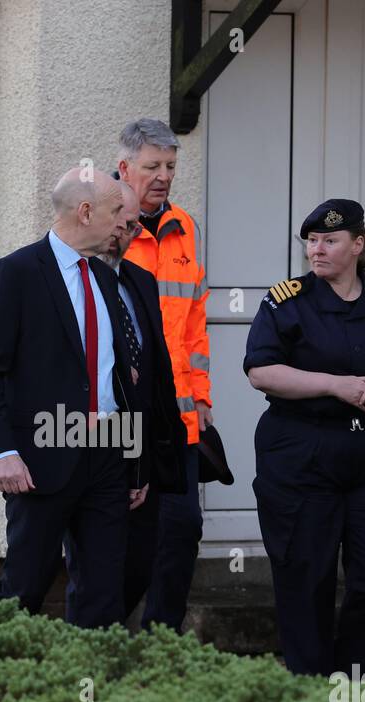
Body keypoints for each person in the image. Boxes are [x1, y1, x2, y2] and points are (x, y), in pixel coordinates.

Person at [242, 198, 365, 676]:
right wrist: (333, 385)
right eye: (311, 241)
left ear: (357, 244)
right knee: (306, 577)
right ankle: (309, 686)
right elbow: (261, 372)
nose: (317, 250)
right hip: (301, 454)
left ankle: (349, 670)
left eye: (329, 240)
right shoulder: (287, 301)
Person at [0, 167, 147, 628]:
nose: (122, 224)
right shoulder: (18, 273)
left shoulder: (107, 280)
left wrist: (135, 459)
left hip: (107, 456)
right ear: (85, 212)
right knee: (26, 584)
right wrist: (3, 451)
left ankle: (91, 691)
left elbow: (120, 381)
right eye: (114, 213)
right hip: (39, 454)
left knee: (104, 590)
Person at [64, 181, 187, 623]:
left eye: (134, 225)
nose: (126, 232)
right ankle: (88, 661)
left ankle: (108, 647)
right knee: (94, 572)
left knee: (138, 564)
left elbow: (155, 369)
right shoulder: (64, 281)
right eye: (120, 221)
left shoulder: (140, 282)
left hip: (139, 448)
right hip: (77, 442)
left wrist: (162, 447)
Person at [116, 118, 210, 632]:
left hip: (178, 416)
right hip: (122, 415)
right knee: (122, 531)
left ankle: (162, 642)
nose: (163, 176)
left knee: (183, 528)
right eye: (152, 166)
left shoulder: (185, 227)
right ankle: (105, 632)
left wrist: (202, 396)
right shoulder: (105, 223)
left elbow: (195, 322)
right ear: (125, 166)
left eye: (171, 166)